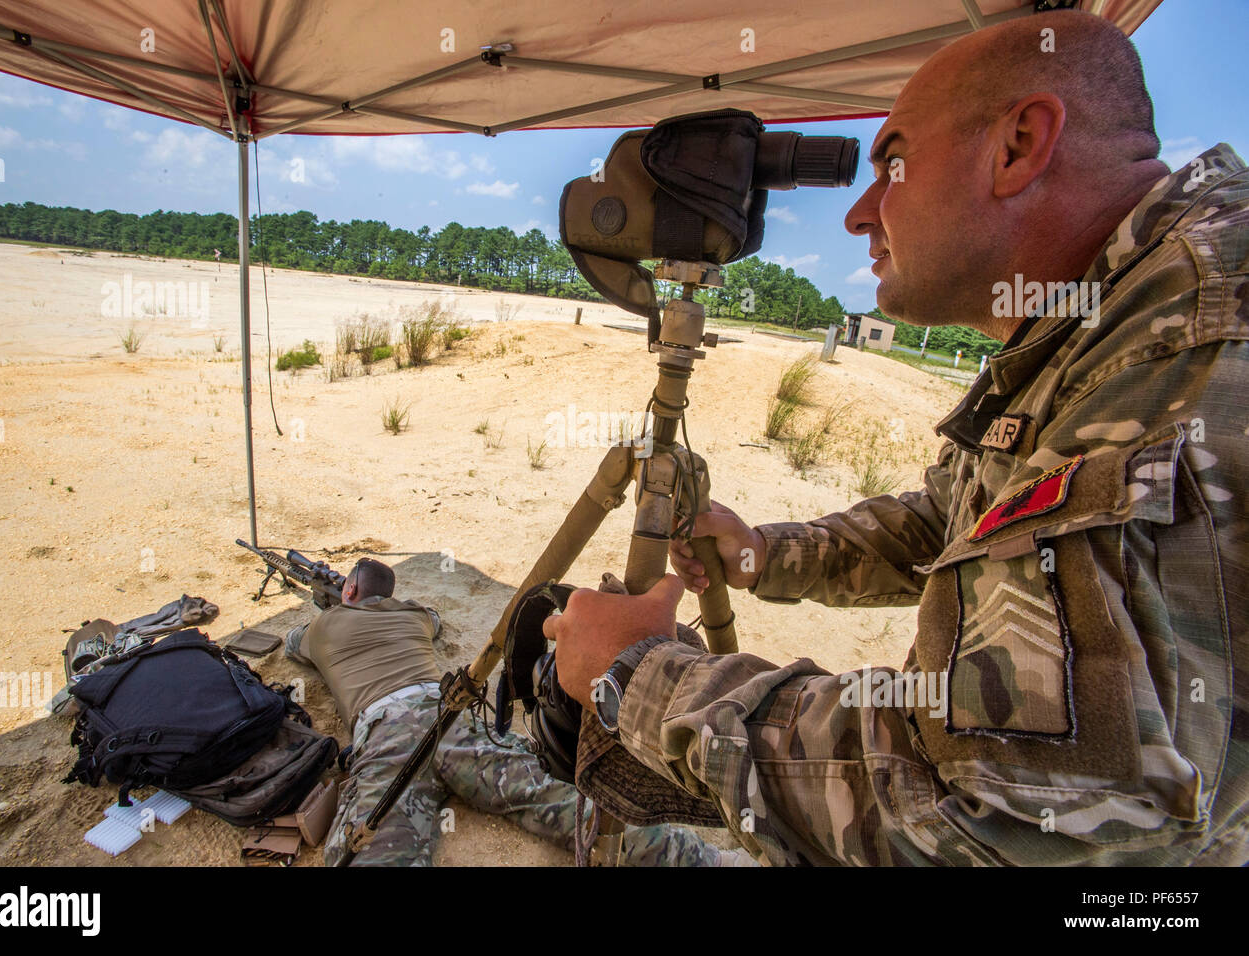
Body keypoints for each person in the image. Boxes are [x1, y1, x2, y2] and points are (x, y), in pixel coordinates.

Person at [543, 9, 1247, 866]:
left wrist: (639, 678)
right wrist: (766, 551)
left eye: (894, 164)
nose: (860, 214)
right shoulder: (1101, 321)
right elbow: (958, 519)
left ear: (1020, 145)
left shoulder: (1195, 346)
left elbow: (990, 808)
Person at [285, 557, 752, 866]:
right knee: (561, 800)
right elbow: (435, 620)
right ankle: (709, 861)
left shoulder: (325, 625)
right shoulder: (413, 615)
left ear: (348, 591)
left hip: (390, 727)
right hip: (453, 710)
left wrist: (329, 610)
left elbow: (294, 644)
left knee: (371, 850)